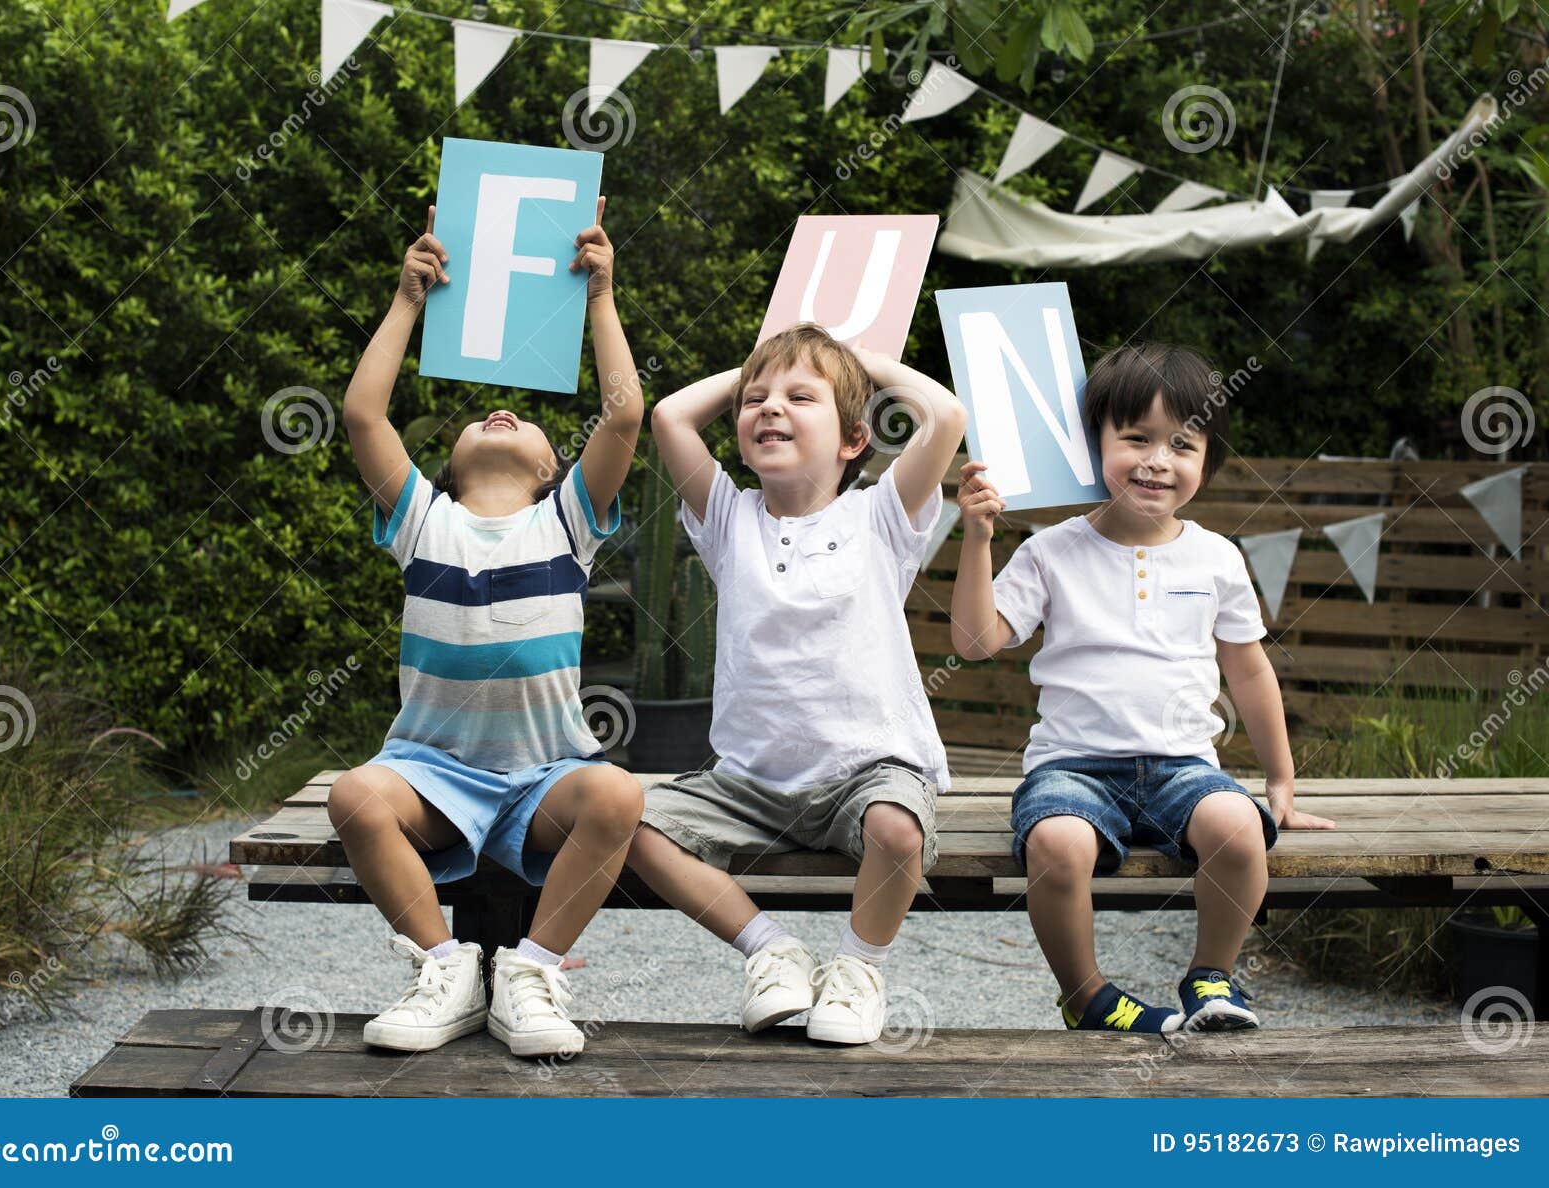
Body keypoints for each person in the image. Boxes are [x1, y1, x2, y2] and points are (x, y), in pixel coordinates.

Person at [331, 198, 644, 1058]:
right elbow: (363, 416)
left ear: (553, 467)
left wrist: (600, 297)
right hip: (429, 775)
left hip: (546, 778)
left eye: (523, 420)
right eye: (479, 419)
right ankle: (447, 970)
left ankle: (531, 974)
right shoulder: (421, 520)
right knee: (353, 794)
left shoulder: (569, 524)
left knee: (618, 794)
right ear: (451, 460)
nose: (499, 414)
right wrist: (406, 302)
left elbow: (622, 415)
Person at [951, 342, 1336, 1034]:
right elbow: (974, 643)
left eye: (1183, 444)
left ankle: (1212, 974)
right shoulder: (1050, 550)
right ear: (1092, 443)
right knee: (1057, 846)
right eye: (1137, 439)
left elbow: (1248, 670)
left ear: (1206, 462)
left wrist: (1280, 780)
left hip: (1183, 767)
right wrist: (977, 540)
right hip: (1072, 767)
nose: (1158, 460)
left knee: (1242, 832)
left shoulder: (1217, 557)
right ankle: (1088, 994)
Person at [626, 322, 967, 1044]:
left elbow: (946, 415)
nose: (769, 408)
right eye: (755, 399)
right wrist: (762, 362)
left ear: (852, 439)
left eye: (799, 397)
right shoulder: (727, 517)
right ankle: (772, 950)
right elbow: (669, 416)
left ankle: (859, 968)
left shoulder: (880, 513)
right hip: (750, 781)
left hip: (868, 771)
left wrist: (854, 359)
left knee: (898, 828)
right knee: (637, 828)